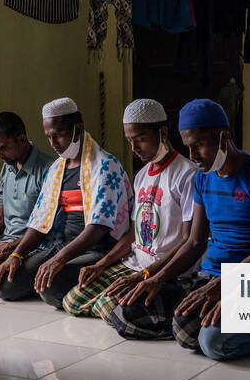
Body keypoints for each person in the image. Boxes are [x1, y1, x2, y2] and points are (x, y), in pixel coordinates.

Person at [123, 98, 250, 360]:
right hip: (206, 277)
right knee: (130, 309)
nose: (193, 156)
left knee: (207, 340)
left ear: (223, 136)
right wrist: (154, 277)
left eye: (199, 144)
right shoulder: (202, 178)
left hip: (248, 280)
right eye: (188, 147)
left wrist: (221, 286)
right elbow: (194, 242)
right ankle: (192, 321)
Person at [61, 98, 196, 338]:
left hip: (163, 269)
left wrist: (146, 275)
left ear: (162, 132)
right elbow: (134, 233)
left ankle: (144, 312)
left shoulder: (186, 175)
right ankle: (124, 311)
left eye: (141, 138)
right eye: (129, 140)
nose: (134, 147)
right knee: (73, 300)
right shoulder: (142, 175)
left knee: (109, 305)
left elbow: (189, 240)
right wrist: (101, 264)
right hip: (134, 263)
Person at [0, 98, 133, 309]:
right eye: (49, 136)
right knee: (5, 284)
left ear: (77, 128)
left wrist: (59, 260)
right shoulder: (57, 168)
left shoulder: (104, 165)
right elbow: (40, 220)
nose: (53, 143)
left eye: (58, 135)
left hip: (96, 249)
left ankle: (98, 278)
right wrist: (16, 254)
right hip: (61, 244)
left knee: (52, 288)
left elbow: (98, 227)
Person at [0, 112, 55, 293]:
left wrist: (7, 250)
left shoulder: (49, 170)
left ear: (22, 139)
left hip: (29, 245)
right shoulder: (7, 167)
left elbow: (46, 230)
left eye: (3, 148)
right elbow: (0, 220)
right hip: (2, 241)